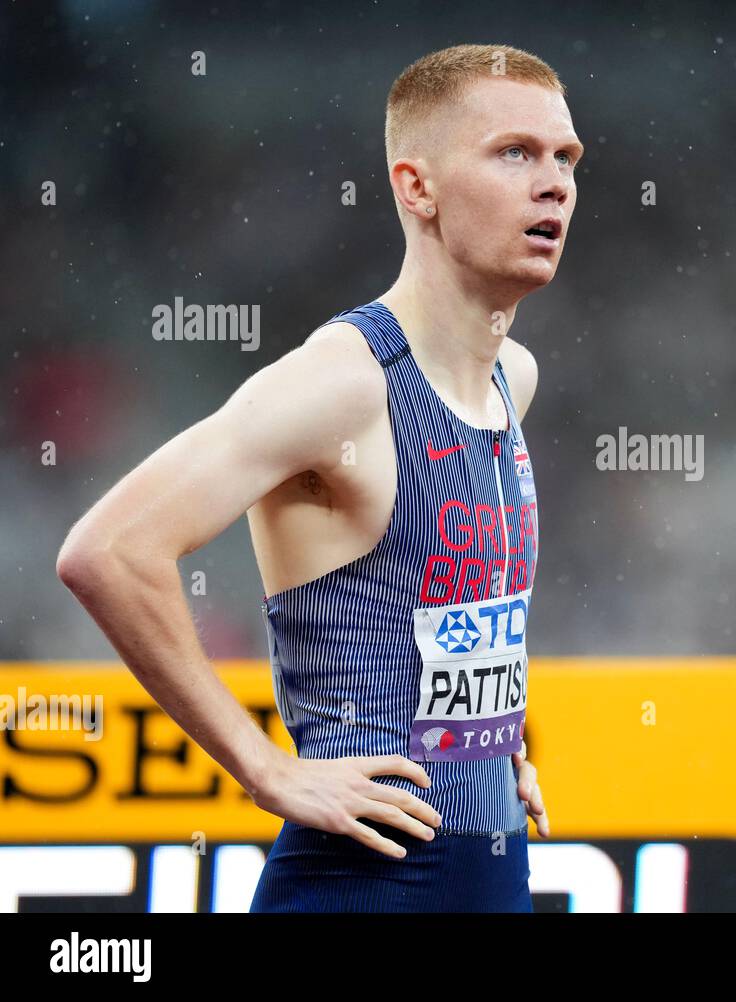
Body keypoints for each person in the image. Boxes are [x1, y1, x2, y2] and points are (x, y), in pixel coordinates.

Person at [55, 42, 581, 911]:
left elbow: (447, 599)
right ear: (417, 187)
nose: (555, 183)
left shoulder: (509, 376)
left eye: (566, 159)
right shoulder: (341, 384)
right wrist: (265, 771)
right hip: (362, 882)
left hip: (491, 869)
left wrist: (491, 745)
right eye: (515, 153)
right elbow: (106, 551)